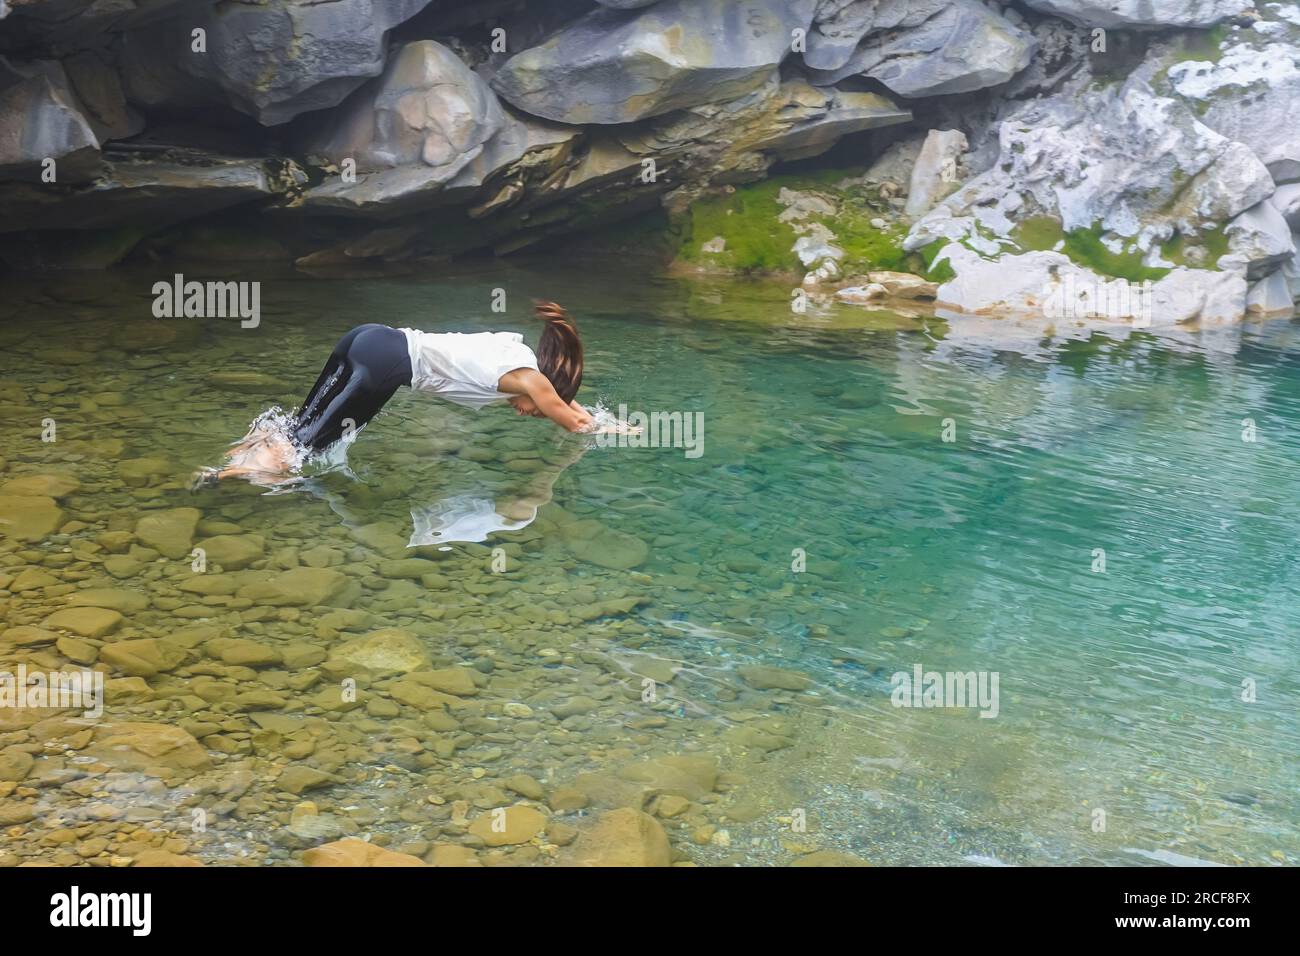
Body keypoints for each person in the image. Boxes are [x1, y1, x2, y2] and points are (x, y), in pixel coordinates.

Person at [198, 301, 625, 485]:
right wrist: (617, 432)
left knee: (300, 427)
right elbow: (574, 421)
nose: (526, 413)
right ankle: (223, 478)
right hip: (387, 364)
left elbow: (562, 400)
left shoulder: (521, 358)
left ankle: (238, 459)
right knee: (308, 446)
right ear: (543, 386)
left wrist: (604, 417)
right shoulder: (530, 382)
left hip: (367, 338)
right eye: (535, 412)